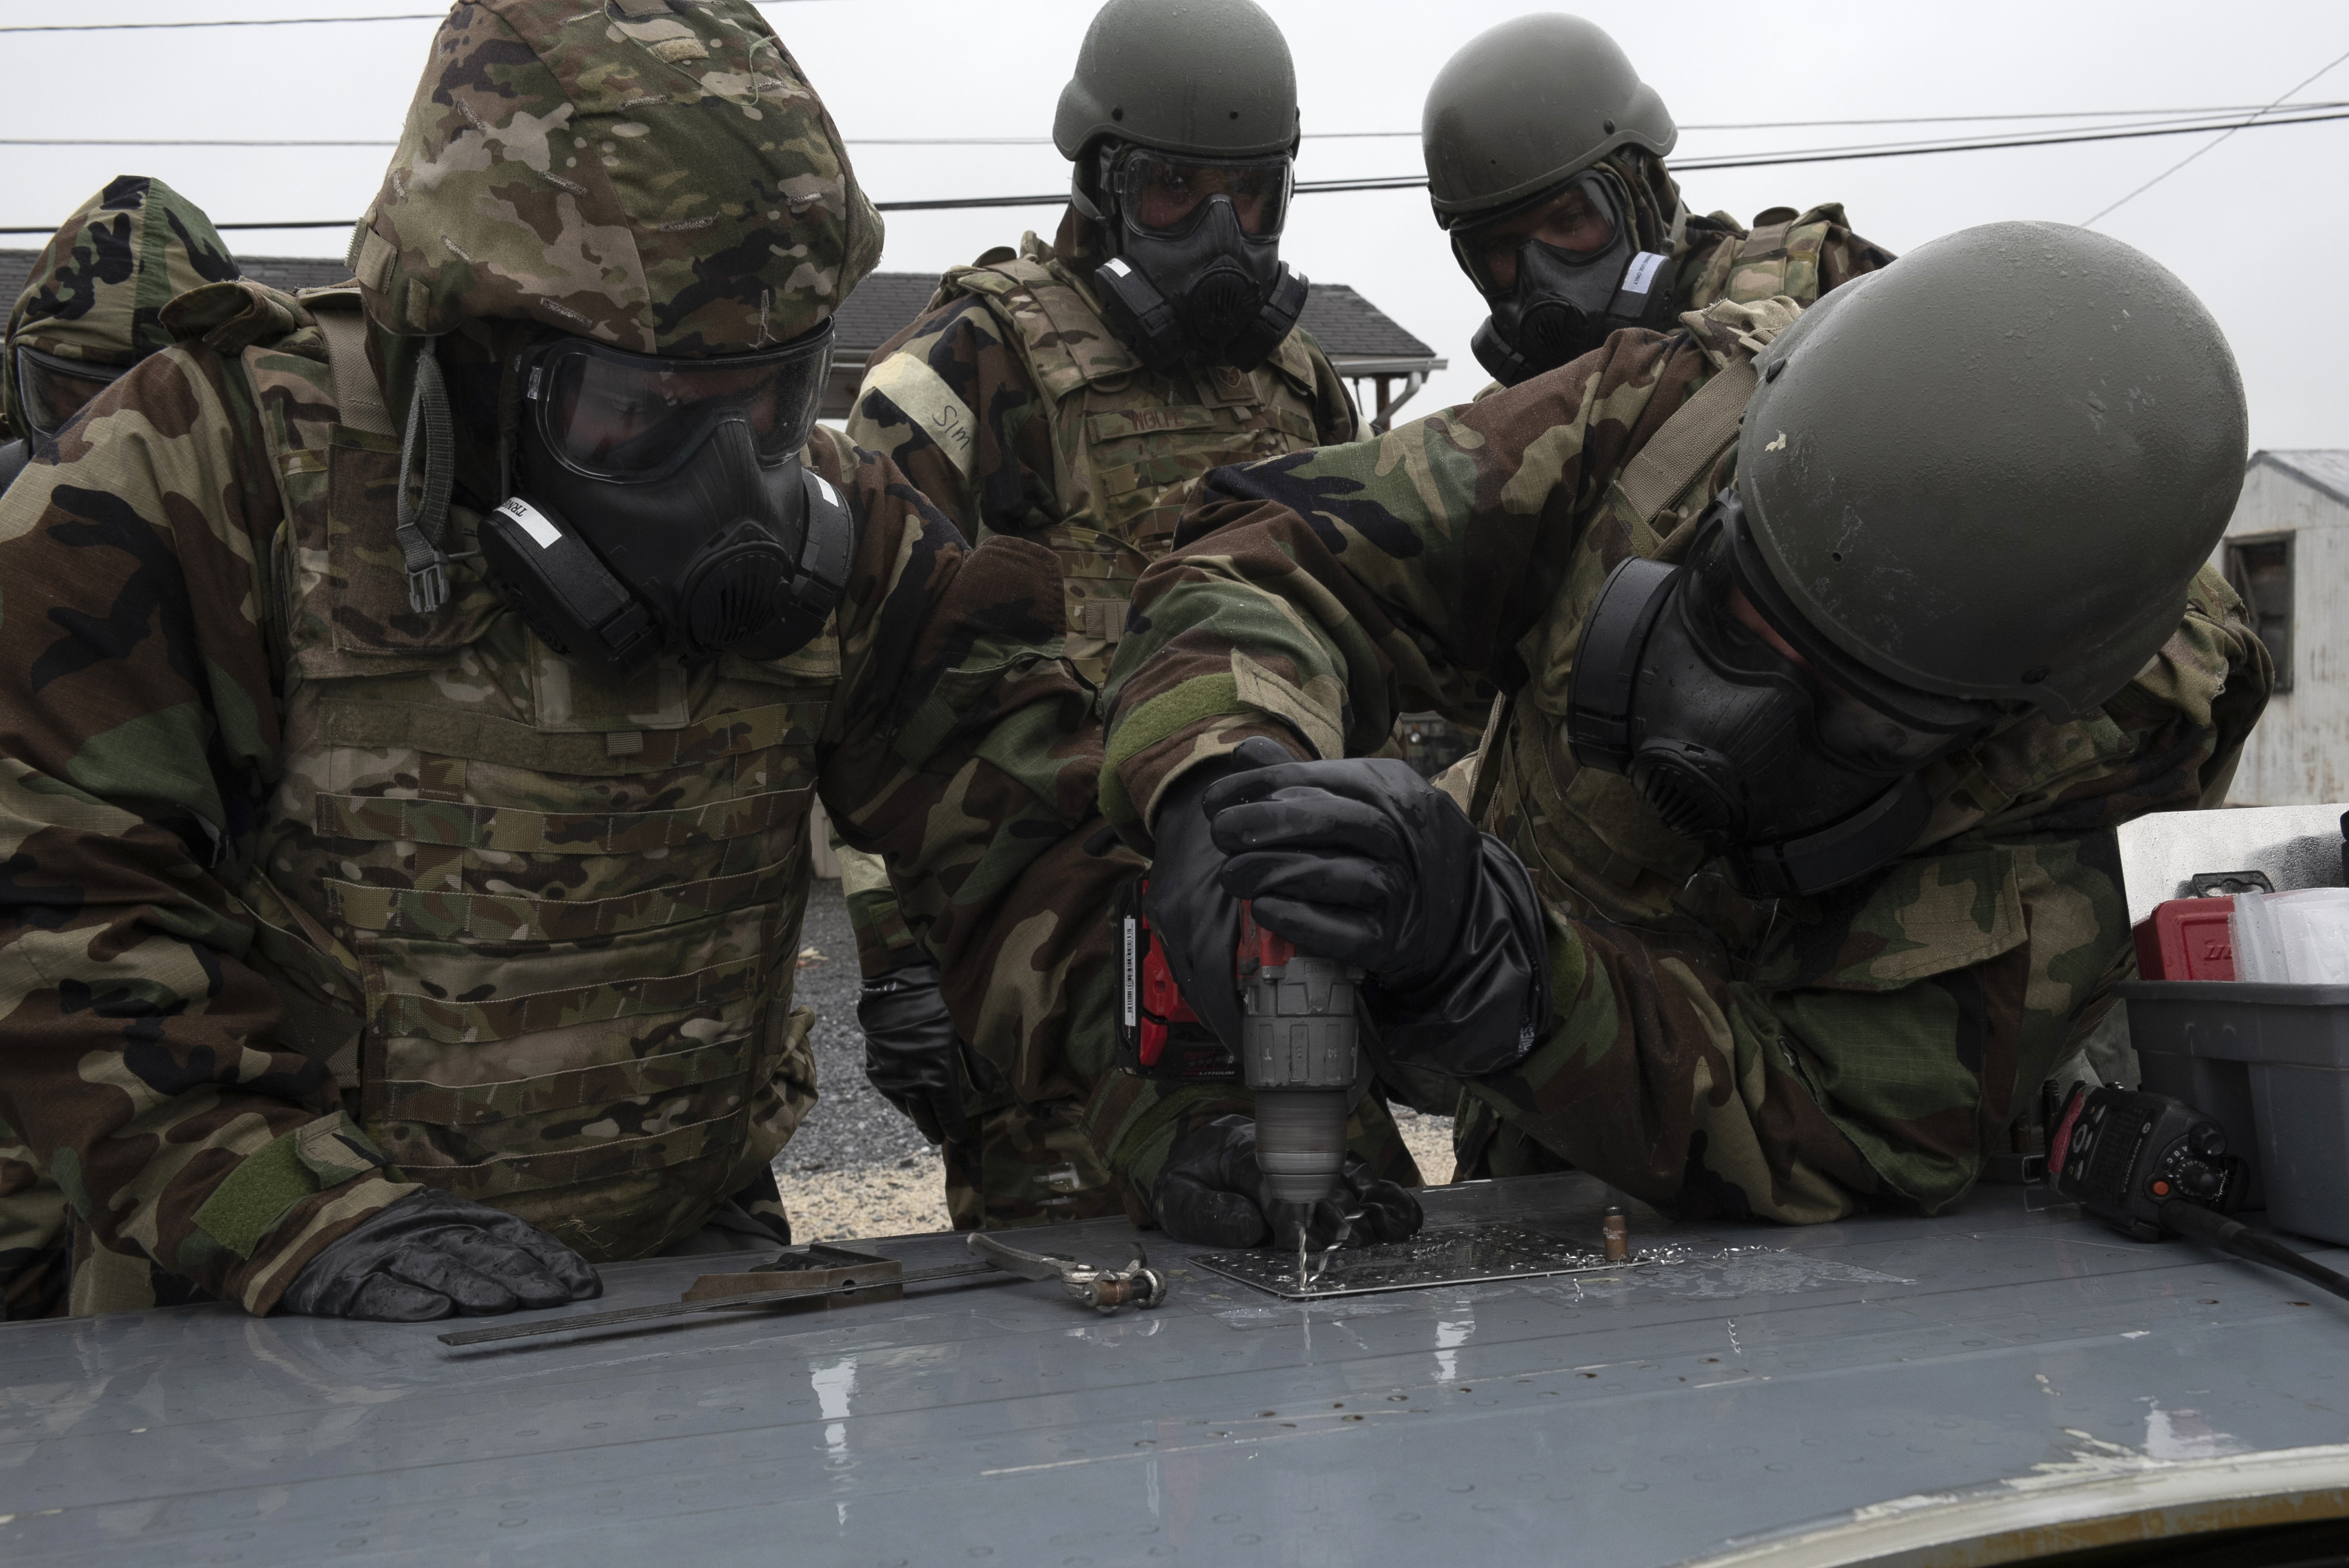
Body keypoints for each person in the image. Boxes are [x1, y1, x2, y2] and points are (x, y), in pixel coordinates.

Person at [0, 0, 1129, 1319]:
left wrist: (1184, 1104)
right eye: (636, 412)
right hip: (264, 1316)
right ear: (465, 358)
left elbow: (1034, 849)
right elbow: (53, 902)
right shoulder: (202, 476)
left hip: (681, 1280)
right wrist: (293, 1217)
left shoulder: (848, 529)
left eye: (766, 400)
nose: (721, 486)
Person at [1094, 222, 2271, 1235]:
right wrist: (1218, 775)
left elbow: (1850, 1124)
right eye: (1728, 618)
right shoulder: (1666, 418)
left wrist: (1509, 975)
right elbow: (1277, 552)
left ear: (2007, 713)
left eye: (1855, 713)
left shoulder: (2107, 752)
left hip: (1842, 1279)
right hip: (1547, 1180)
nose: (1727, 730)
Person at [838, 0, 1401, 1234]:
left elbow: (1365, 636)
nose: (1220, 235)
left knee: (1336, 1299)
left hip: (1284, 965)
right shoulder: (960, 375)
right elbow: (871, 691)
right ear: (1097, 180)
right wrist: (896, 959)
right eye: (1174, 193)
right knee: (1081, 1356)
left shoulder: (1299, 383)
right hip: (1056, 994)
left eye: (1252, 199)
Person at [0, 176, 241, 1319]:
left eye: (141, 396)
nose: (100, 433)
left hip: (163, 1041)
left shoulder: (274, 560)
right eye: (71, 390)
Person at [1422, 12, 1894, 389]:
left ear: (1645, 184)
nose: (1542, 278)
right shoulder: (1501, 432)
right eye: (1500, 248)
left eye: (1570, 218)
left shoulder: (1816, 277)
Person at [0, 176, 238, 492]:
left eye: (159, 406)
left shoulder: (289, 516)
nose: (97, 442)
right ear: (18, 382)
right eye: (71, 401)